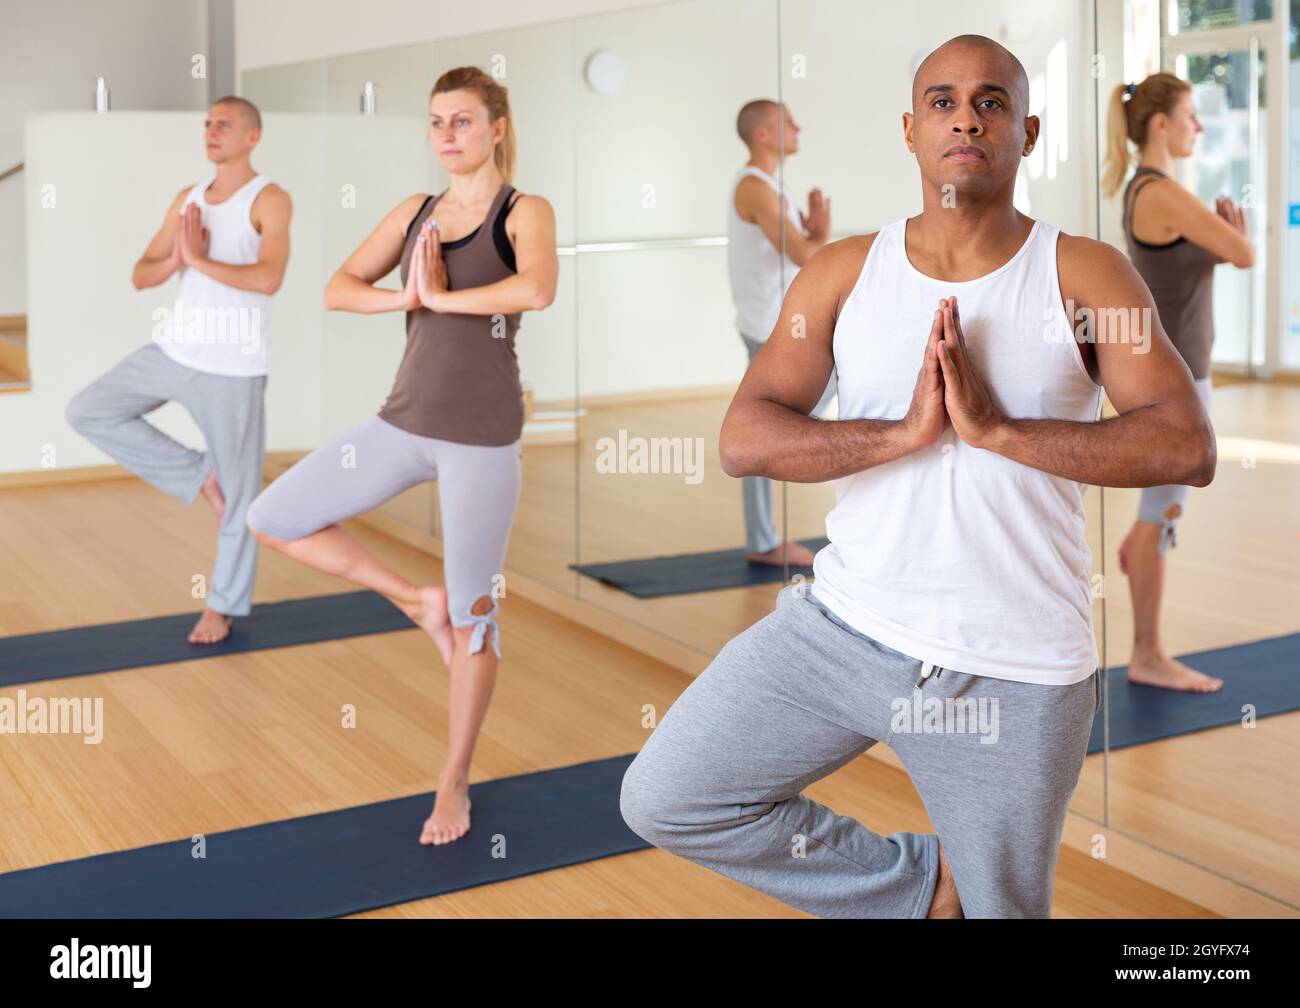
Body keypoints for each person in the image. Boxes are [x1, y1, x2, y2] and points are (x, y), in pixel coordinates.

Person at [621, 35, 1215, 918]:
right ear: (910, 130)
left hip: (1013, 668)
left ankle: (974, 891)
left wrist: (1000, 430)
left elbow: (1184, 447)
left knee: (1006, 911)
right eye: (942, 101)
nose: (966, 118)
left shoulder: (1085, 272)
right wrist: (904, 433)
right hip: (840, 632)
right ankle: (926, 888)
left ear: (1028, 131)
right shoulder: (842, 272)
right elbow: (746, 437)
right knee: (668, 796)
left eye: (991, 102)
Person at [246, 67, 557, 847]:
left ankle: (453, 782)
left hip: (481, 440)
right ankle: (410, 599)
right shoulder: (415, 213)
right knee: (272, 514)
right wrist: (407, 298)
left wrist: (444, 297)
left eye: (462, 120)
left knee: (477, 623)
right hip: (402, 423)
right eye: (436, 122)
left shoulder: (524, 211)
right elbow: (337, 287)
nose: (447, 134)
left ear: (497, 128)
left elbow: (537, 291)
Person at [66, 96, 291, 645]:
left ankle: (222, 607)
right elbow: (141, 275)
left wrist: (200, 261)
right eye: (207, 123)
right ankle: (197, 474)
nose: (212, 131)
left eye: (224, 124)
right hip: (174, 352)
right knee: (87, 410)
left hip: (233, 369)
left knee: (241, 500)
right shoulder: (187, 199)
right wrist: (177, 259)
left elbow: (268, 278)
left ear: (253, 137)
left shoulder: (270, 199)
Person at [1103, 73, 1253, 693]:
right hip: (1175, 382)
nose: (1201, 126)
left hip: (1180, 373)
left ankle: (1142, 547)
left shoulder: (1157, 191)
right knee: (1165, 514)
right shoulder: (1160, 191)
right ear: (1161, 123)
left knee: (1159, 514)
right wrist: (1235, 234)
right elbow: (1245, 254)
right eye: (1193, 114)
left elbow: (1219, 253)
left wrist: (1228, 238)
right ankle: (1148, 654)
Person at [727, 99, 834, 567]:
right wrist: (820, 234)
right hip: (769, 329)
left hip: (775, 325)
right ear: (764, 134)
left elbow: (801, 250)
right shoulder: (755, 187)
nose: (798, 125)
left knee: (766, 422)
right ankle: (764, 540)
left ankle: (764, 535)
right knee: (760, 426)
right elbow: (804, 256)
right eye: (787, 120)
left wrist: (813, 234)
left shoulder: (770, 186)